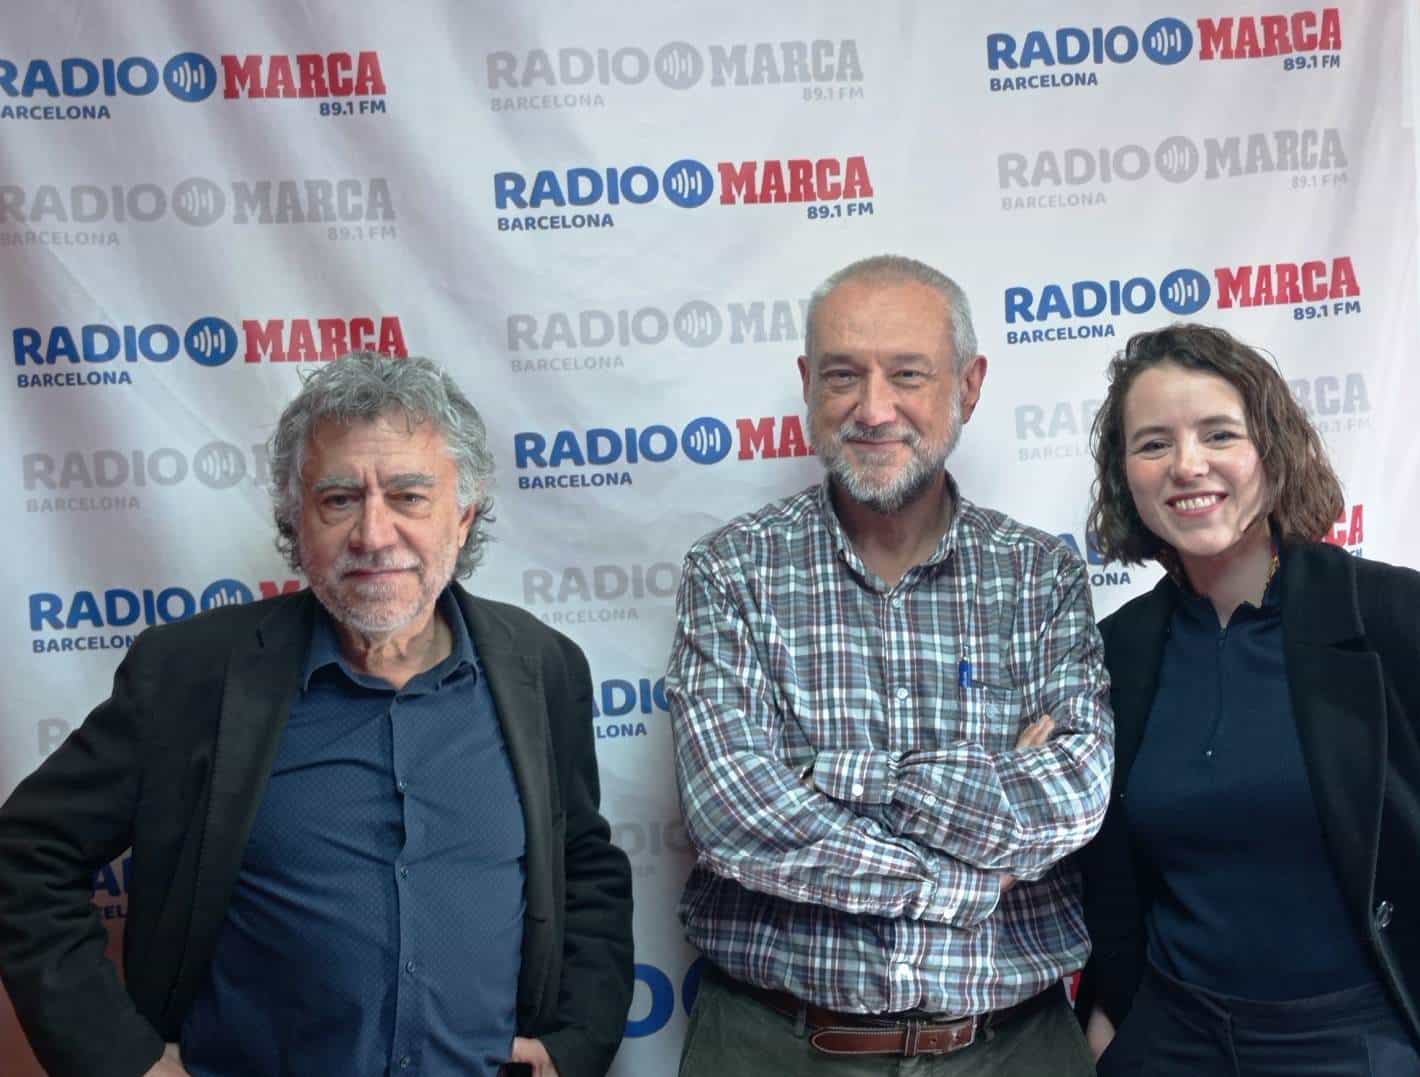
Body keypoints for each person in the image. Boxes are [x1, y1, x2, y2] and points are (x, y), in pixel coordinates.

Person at [0, 352, 634, 1077]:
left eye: (408, 495)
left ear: (463, 517)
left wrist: (575, 1043)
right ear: (294, 520)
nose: (373, 533)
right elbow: (27, 854)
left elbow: (583, 864)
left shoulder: (541, 667)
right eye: (339, 498)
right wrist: (121, 1060)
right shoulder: (189, 678)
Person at [666, 254, 1113, 1074]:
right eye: (843, 375)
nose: (874, 409)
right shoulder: (731, 571)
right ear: (806, 384)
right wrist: (969, 879)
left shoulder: (1040, 575)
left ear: (969, 385)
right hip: (776, 1044)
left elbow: (1071, 796)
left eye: (908, 373)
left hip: (1014, 1046)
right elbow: (736, 813)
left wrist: (830, 772)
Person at [1077, 323, 1420, 1075]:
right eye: (1153, 443)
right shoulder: (1112, 650)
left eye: (1218, 433)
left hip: (1357, 1041)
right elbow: (1108, 871)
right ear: (1126, 474)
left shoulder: (1393, 617)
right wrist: (1112, 1020)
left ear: (1273, 446)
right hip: (1171, 1041)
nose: (1186, 465)